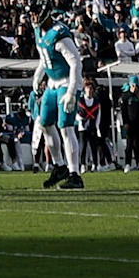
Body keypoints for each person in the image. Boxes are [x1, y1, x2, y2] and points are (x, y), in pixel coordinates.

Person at [29, 18, 92, 189]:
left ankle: (75, 174)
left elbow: (75, 63)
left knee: (66, 126)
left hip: (67, 82)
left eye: (35, 14)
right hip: (52, 82)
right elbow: (45, 56)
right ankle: (60, 166)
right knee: (45, 123)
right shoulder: (39, 31)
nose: (33, 18)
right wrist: (38, 75)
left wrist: (72, 91)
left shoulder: (60, 34)